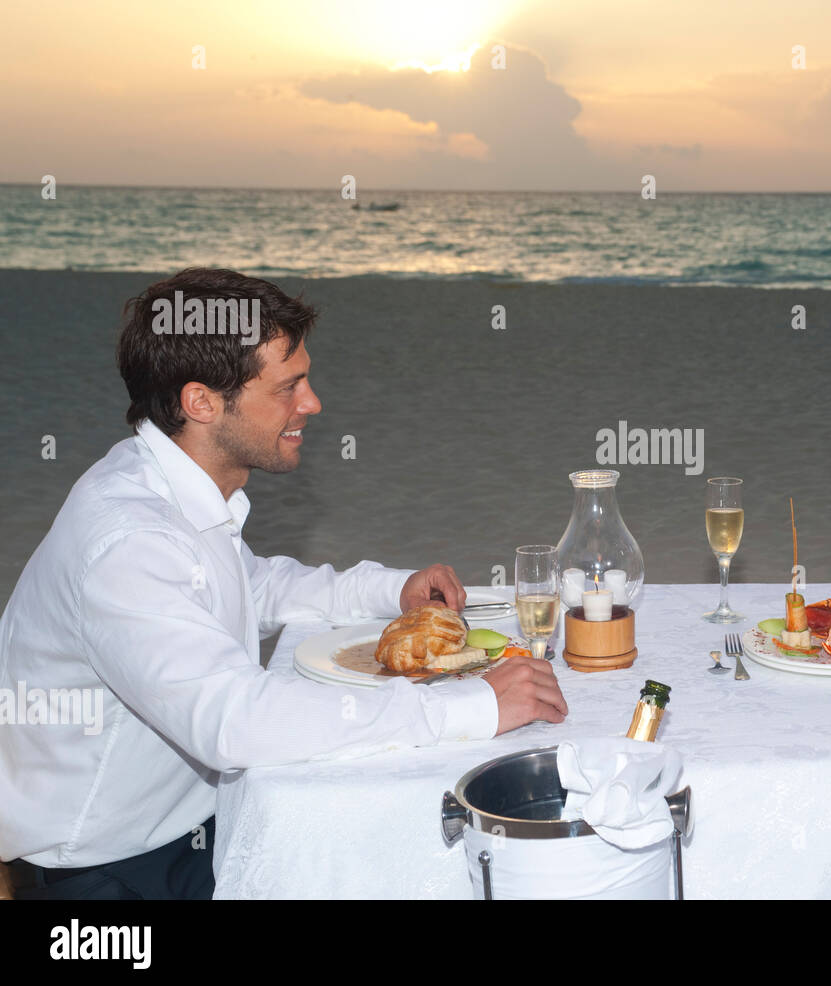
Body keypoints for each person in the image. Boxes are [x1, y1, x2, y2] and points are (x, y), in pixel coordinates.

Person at [0, 267, 568, 899]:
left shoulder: (162, 478)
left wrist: (393, 589)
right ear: (201, 402)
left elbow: (254, 586)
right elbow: (235, 720)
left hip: (191, 825)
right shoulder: (128, 540)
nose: (312, 403)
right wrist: (472, 707)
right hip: (106, 870)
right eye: (288, 385)